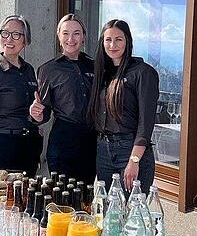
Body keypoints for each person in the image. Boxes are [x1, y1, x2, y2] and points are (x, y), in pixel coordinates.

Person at [88, 19, 159, 195]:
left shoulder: (143, 73)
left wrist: (134, 160)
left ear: (128, 41)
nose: (113, 45)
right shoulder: (102, 73)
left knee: (132, 213)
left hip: (130, 151)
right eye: (108, 39)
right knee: (107, 212)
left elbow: (146, 123)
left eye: (118, 39)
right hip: (104, 150)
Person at [29, 14, 97, 183]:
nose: (71, 39)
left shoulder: (95, 66)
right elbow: (43, 113)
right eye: (65, 33)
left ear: (83, 37)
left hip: (91, 141)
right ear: (58, 36)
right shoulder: (48, 69)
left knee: (86, 196)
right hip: (63, 142)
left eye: (76, 33)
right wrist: (36, 114)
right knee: (62, 197)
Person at [0, 15, 43, 176]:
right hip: (3, 143)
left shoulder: (28, 70)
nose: (9, 39)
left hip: (29, 143)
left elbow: (34, 110)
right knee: (2, 195)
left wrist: (36, 113)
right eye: (5, 33)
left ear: (25, 40)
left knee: (26, 194)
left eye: (16, 34)